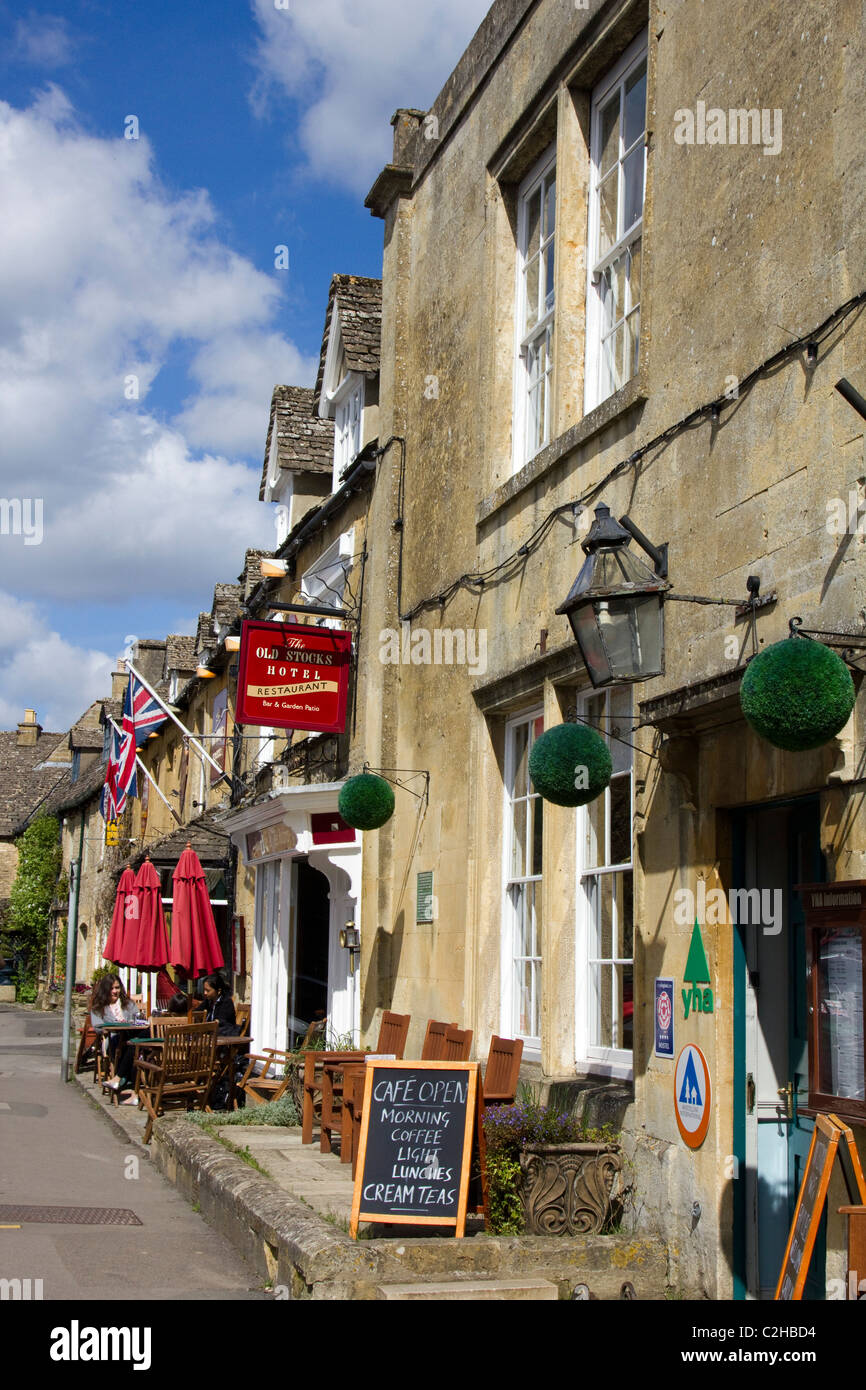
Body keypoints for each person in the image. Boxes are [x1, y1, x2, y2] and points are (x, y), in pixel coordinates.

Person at [90, 974, 148, 1102]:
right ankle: (132, 1090)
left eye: (117, 988)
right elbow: (97, 1027)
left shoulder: (128, 1004)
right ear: (105, 990)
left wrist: (138, 1019)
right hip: (113, 1039)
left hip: (130, 1038)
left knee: (135, 1044)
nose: (115, 991)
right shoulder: (98, 1008)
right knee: (133, 1046)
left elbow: (137, 1018)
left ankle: (119, 1078)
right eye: (112, 988)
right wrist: (113, 1026)